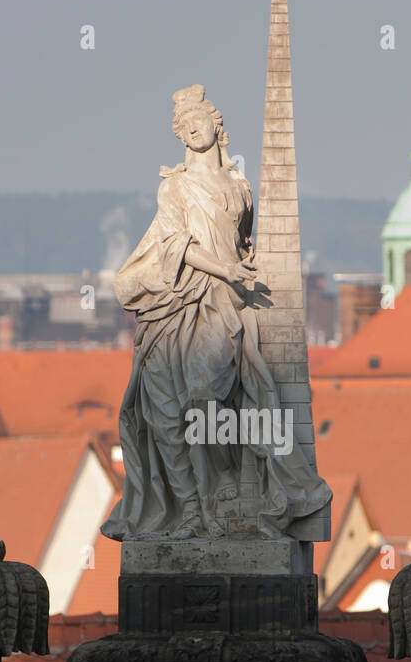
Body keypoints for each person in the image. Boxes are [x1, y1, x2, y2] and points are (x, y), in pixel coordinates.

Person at [101, 85, 330, 541]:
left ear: (216, 125)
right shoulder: (174, 187)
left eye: (198, 120)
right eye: (183, 126)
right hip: (176, 307)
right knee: (166, 414)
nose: (191, 129)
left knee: (207, 402)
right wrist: (224, 267)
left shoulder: (239, 185)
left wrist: (239, 270)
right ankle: (190, 510)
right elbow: (176, 246)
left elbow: (244, 243)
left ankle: (224, 494)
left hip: (224, 306)